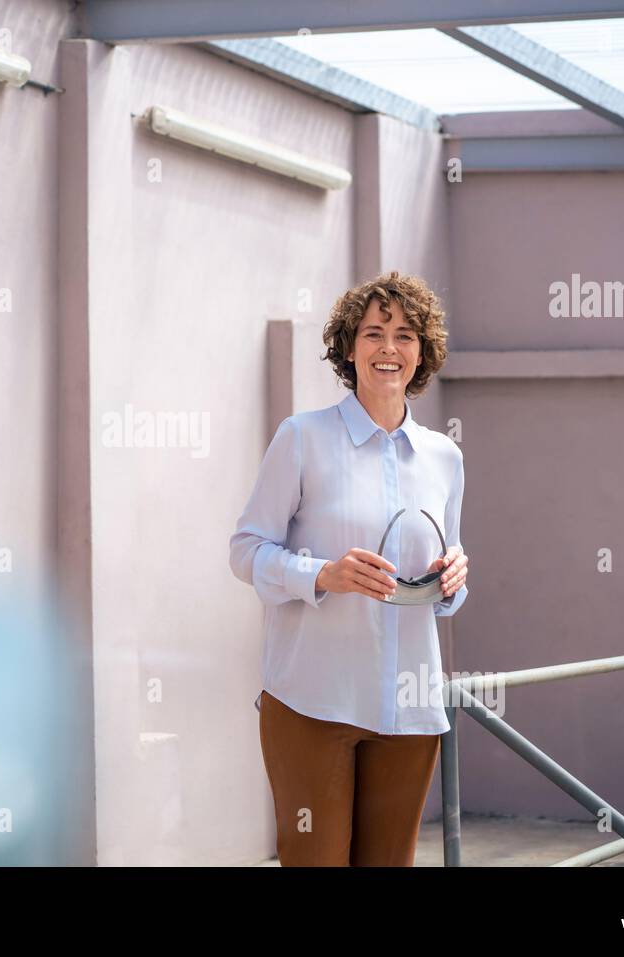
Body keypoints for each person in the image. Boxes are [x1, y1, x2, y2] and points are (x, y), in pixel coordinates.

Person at [228, 271, 469, 866]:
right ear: (349, 346)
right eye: (374, 333)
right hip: (313, 701)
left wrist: (454, 580)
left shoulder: (444, 456)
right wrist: (321, 575)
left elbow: (445, 591)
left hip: (409, 712)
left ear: (423, 351)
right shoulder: (303, 437)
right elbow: (245, 549)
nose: (390, 348)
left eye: (406, 334)